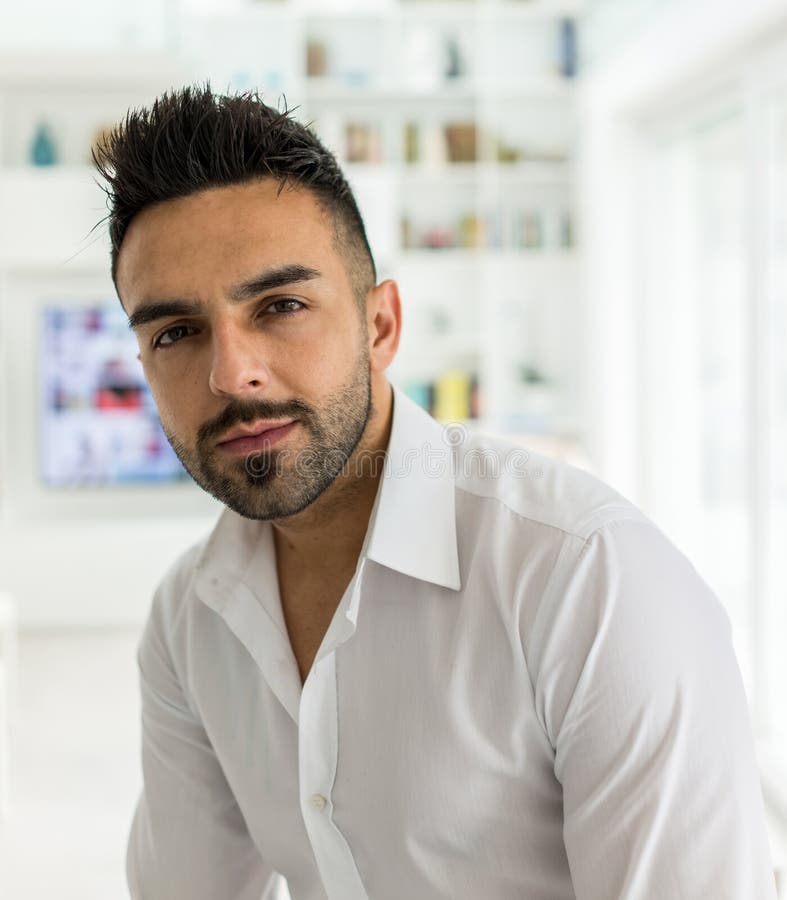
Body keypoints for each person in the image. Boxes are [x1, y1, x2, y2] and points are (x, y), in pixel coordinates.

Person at [93, 85, 777, 900]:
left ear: (380, 326)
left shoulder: (587, 579)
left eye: (281, 306)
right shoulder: (190, 621)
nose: (229, 372)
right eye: (175, 332)